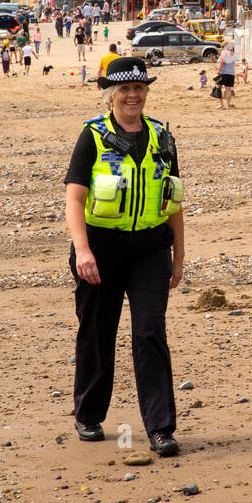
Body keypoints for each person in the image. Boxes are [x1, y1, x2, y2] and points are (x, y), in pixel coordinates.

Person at [64, 55, 185, 457]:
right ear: (110, 95)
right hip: (100, 250)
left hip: (150, 250)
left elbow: (174, 200)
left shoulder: (163, 137)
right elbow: (74, 197)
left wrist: (179, 254)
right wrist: (82, 251)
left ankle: (160, 428)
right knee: (98, 332)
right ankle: (89, 414)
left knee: (150, 333)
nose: (133, 96)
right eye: (125, 90)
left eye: (139, 88)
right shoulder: (93, 136)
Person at [216, 42, 236, 109]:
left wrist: (218, 72)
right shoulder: (232, 53)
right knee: (228, 89)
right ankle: (228, 105)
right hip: (231, 73)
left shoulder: (223, 52)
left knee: (218, 87)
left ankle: (221, 104)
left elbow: (222, 62)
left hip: (223, 73)